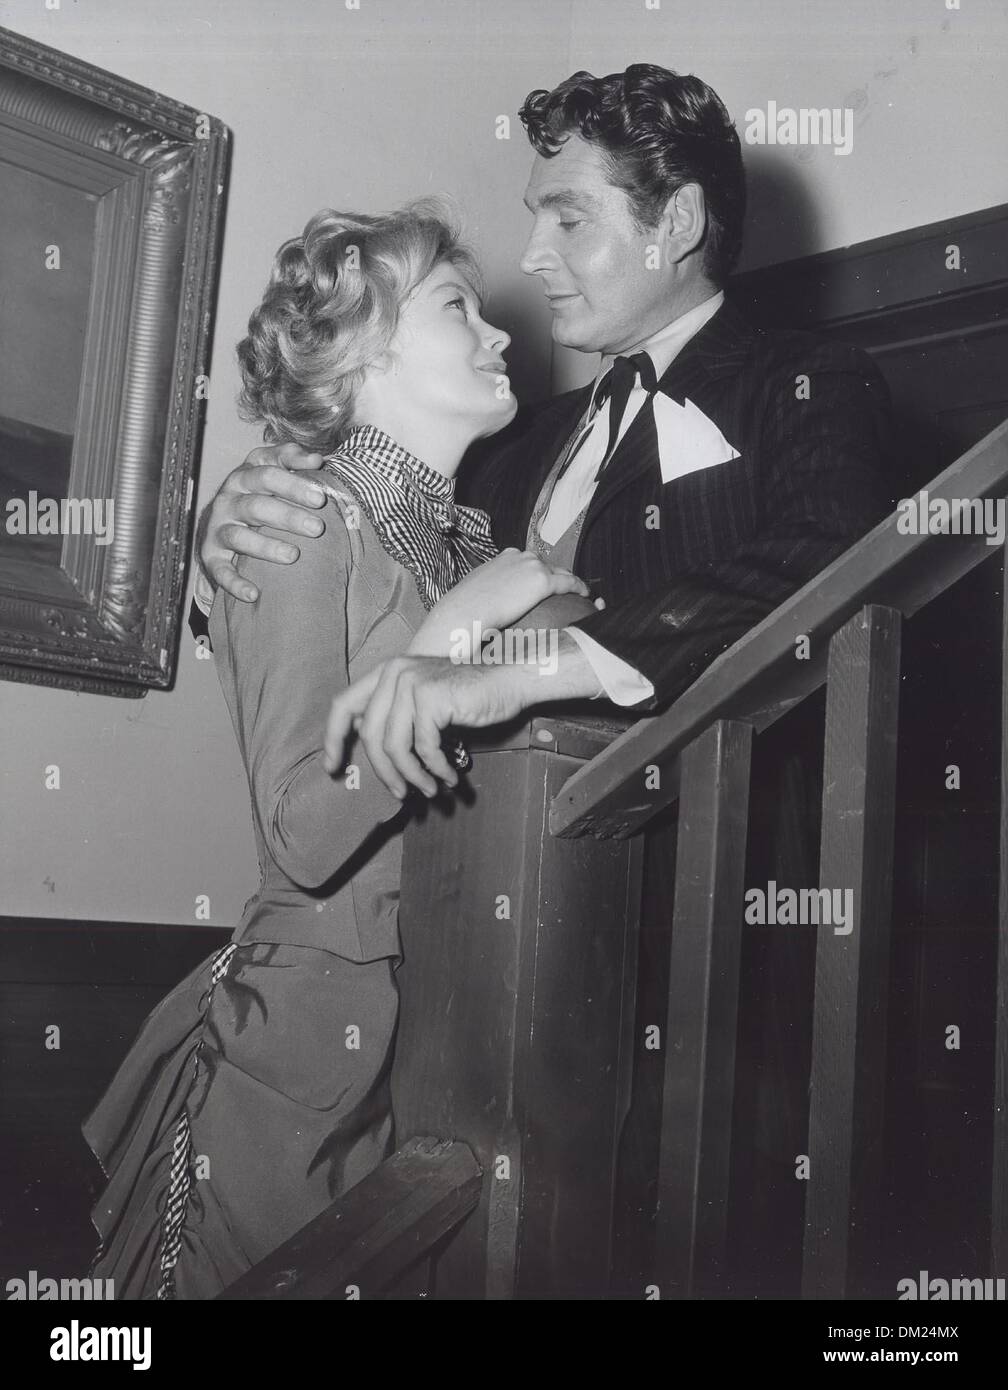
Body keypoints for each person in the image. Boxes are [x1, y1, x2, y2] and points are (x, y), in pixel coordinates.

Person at [188, 65, 894, 1291]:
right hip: (468, 1005)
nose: (535, 253)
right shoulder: (511, 457)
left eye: (568, 216)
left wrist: (524, 667)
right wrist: (225, 537)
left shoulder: (806, 387)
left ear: (672, 224)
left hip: (695, 992)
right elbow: (364, 572)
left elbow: (827, 555)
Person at [82, 203, 593, 1299]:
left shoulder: (474, 543)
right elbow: (302, 832)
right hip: (297, 1054)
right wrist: (456, 639)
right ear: (367, 350)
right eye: (461, 306)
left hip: (448, 1027)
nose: (502, 333)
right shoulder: (294, 522)